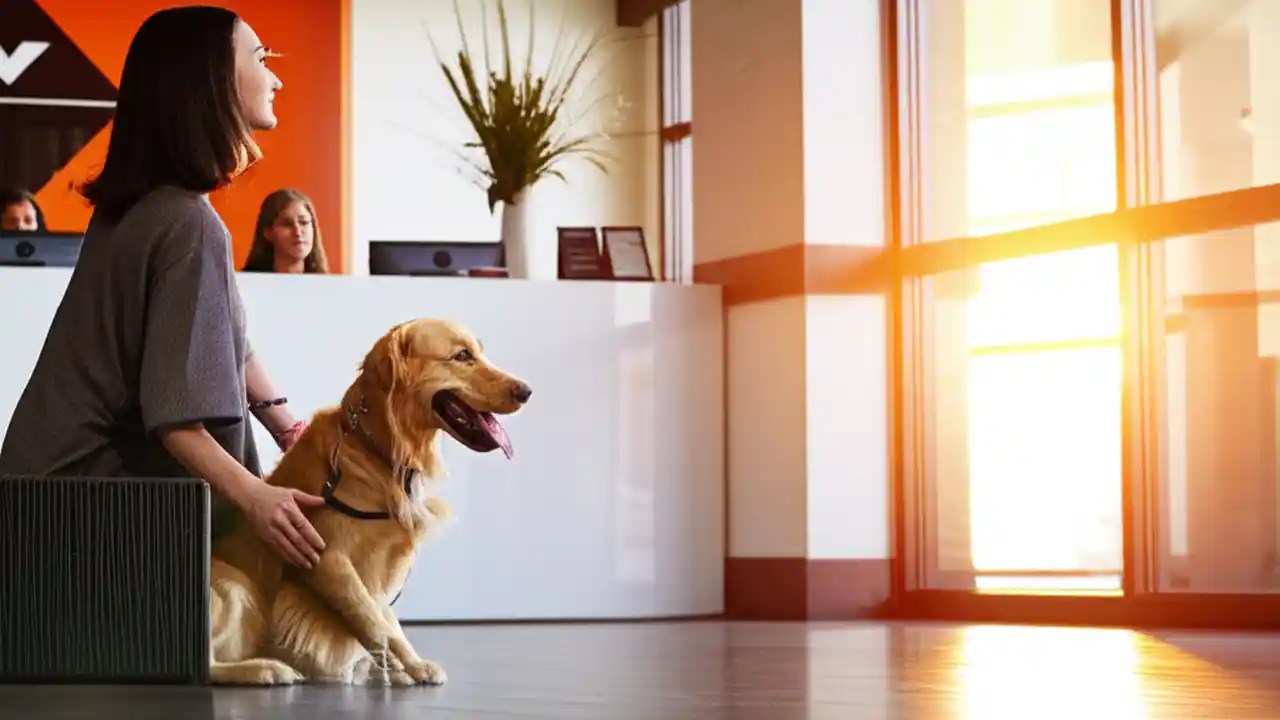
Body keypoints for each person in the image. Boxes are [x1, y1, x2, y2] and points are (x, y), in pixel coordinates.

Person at [0, 7, 325, 570]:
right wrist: (256, 498)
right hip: (79, 505)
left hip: (37, 488)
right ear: (212, 82)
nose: (275, 78)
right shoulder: (188, 224)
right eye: (261, 58)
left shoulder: (147, 207)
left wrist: (287, 427)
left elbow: (228, 336)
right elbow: (177, 423)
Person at [241, 188, 329, 273]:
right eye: (287, 224)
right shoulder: (246, 283)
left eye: (304, 222)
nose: (297, 232)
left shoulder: (326, 285)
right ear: (268, 233)